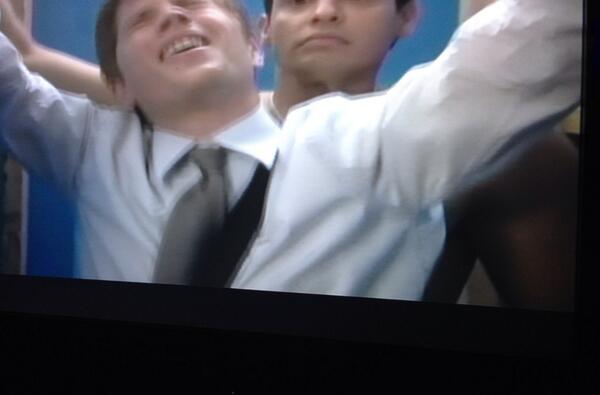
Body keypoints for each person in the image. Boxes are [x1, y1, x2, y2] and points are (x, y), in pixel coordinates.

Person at [0, 0, 580, 309]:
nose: (323, 11)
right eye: (297, 0)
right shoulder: (102, 146)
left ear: (255, 43)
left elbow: (529, 47)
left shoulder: (390, 140)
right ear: (269, 29)